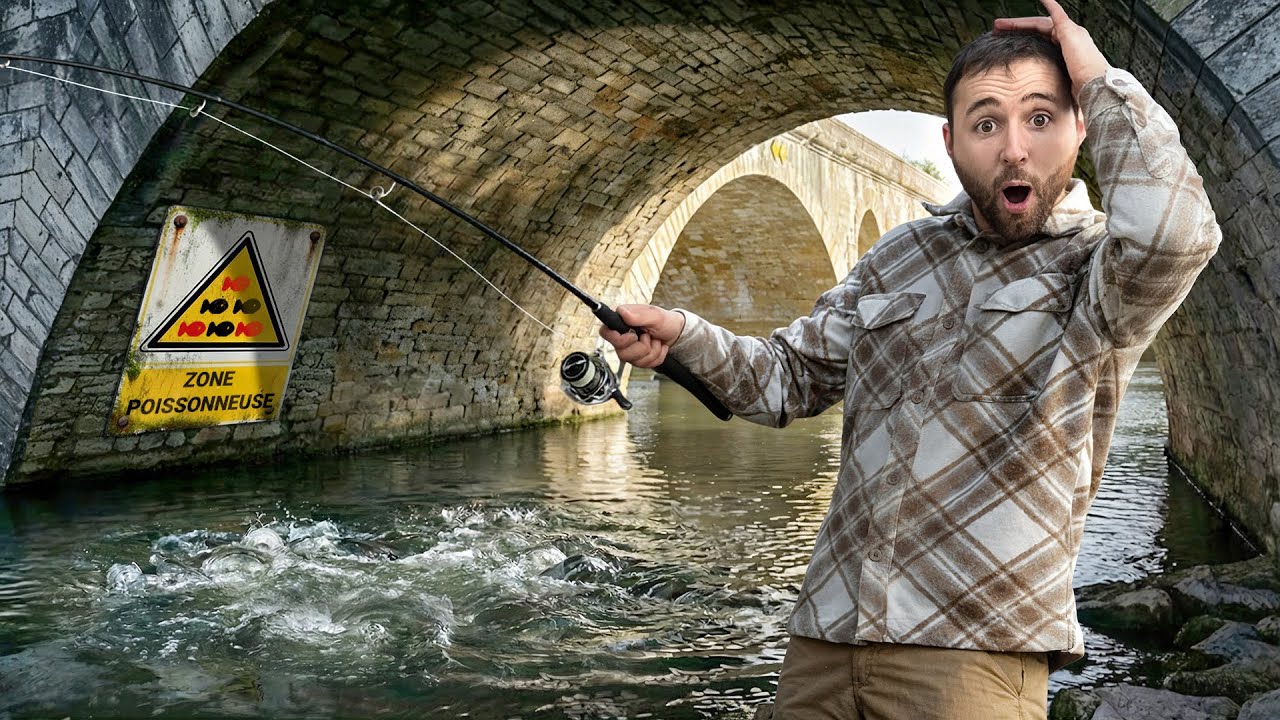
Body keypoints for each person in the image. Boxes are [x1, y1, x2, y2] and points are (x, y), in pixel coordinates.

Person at [599, 1, 1222, 718]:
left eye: (1041, 118)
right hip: (825, 641)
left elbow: (1177, 235)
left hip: (976, 655)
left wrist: (1098, 76)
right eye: (988, 124)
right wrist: (682, 334)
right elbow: (784, 381)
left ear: (1081, 127)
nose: (1014, 147)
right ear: (953, 142)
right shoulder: (898, 256)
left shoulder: (1102, 271)